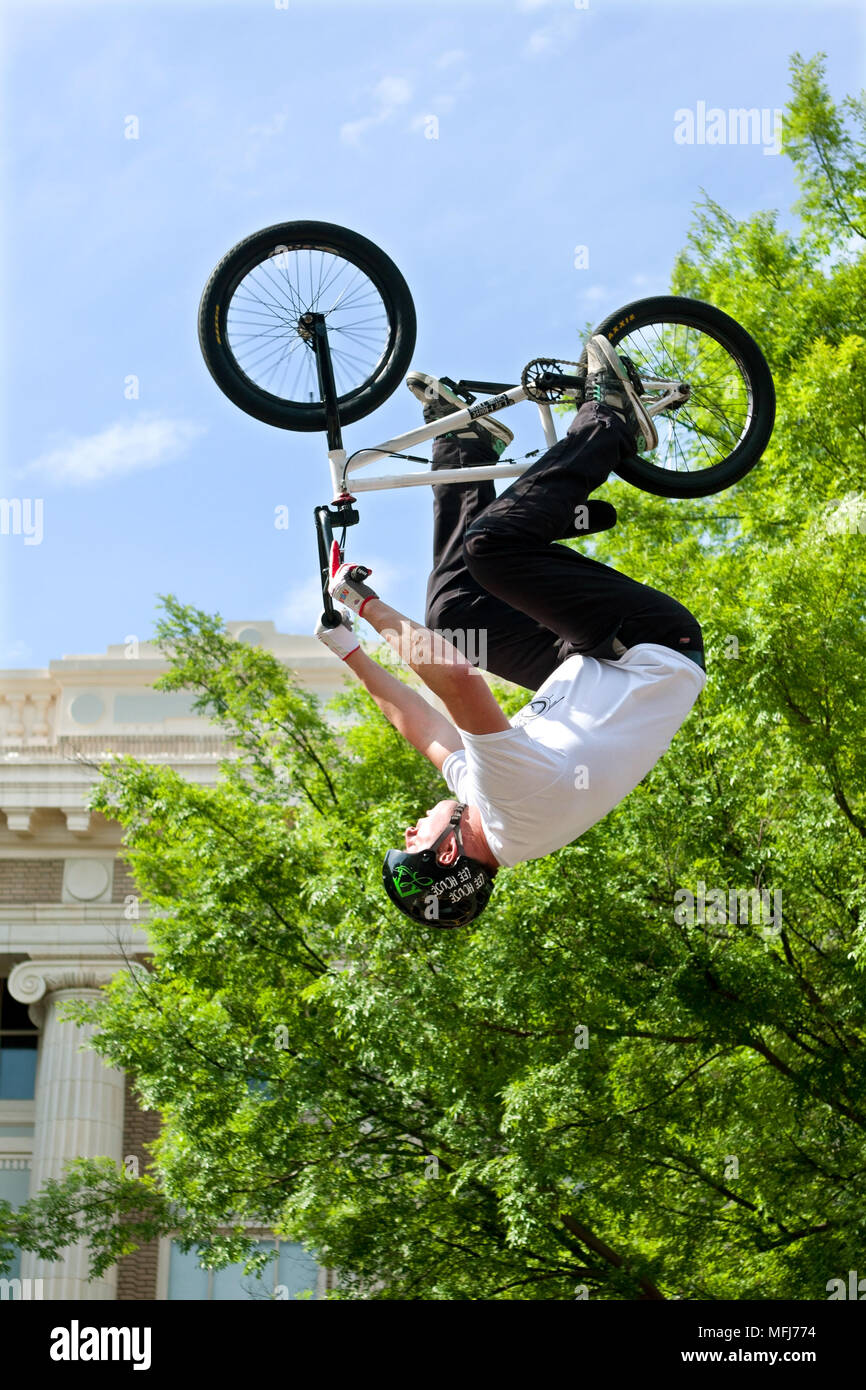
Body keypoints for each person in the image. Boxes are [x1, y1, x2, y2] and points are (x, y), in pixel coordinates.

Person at [315, 337, 707, 928]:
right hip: (648, 646)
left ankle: (463, 445)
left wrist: (348, 651)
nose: (410, 828)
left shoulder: (491, 812)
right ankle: (611, 419)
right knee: (492, 548)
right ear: (446, 851)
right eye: (413, 841)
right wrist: (364, 604)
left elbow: (421, 726)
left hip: (589, 663)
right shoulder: (508, 804)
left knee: (456, 618)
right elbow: (455, 680)